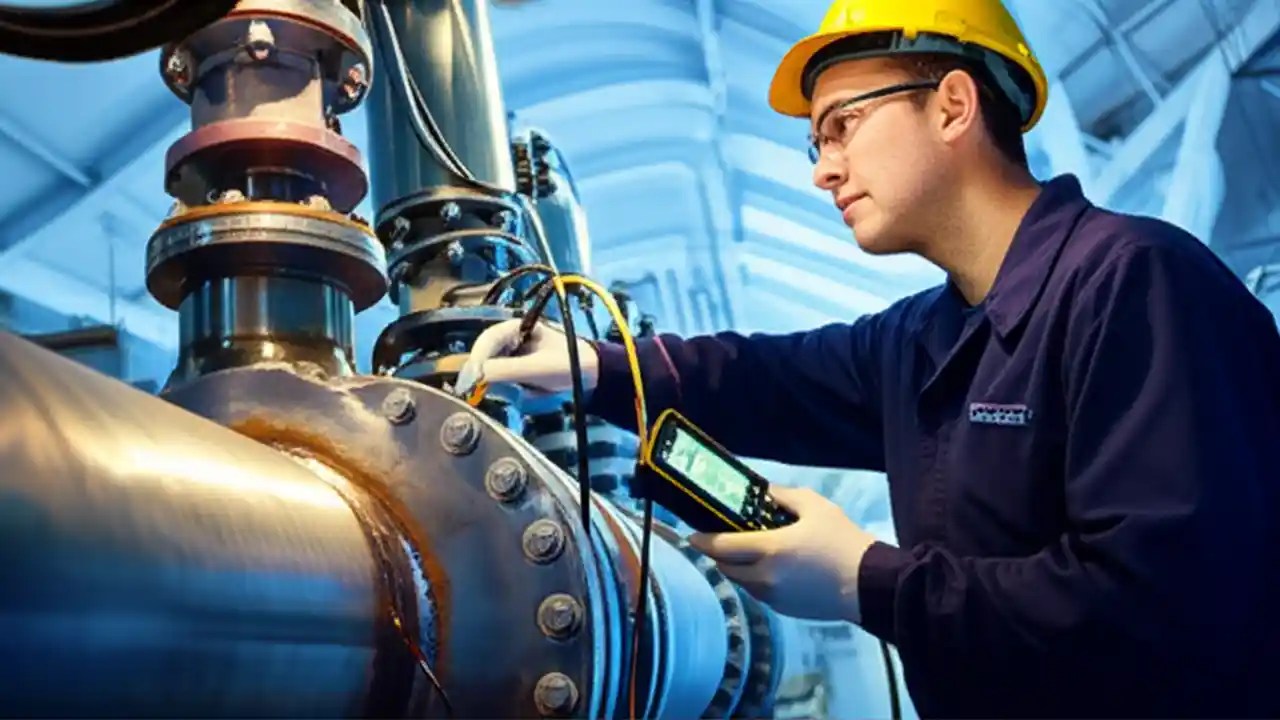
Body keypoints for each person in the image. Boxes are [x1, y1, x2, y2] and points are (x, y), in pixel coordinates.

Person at [456, 0, 1280, 716]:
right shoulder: (925, 337)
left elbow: (1161, 611)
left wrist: (865, 579)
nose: (823, 171)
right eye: (815, 144)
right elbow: (764, 378)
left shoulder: (1135, 285)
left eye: (841, 126)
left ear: (953, 105)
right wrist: (595, 366)